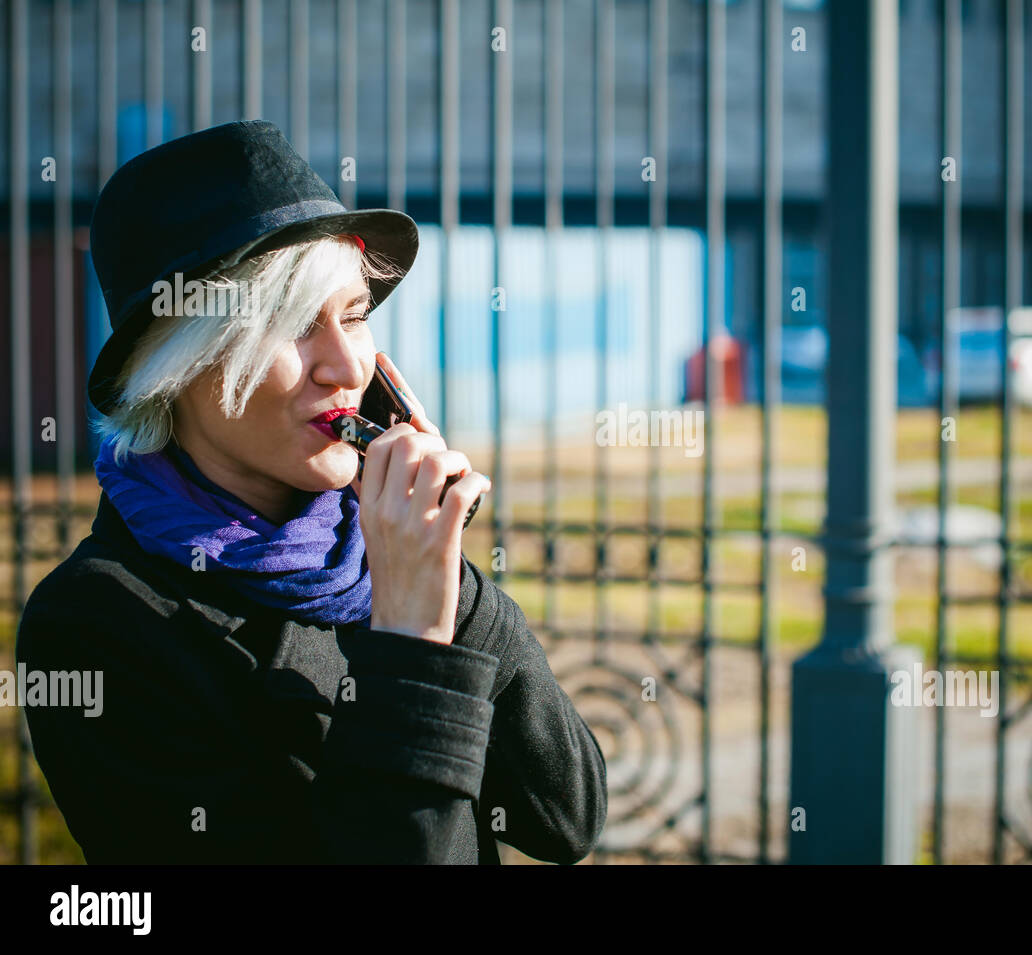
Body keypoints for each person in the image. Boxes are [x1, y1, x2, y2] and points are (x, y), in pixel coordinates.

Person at [16, 120, 607, 864]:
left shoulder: (385, 545)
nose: (343, 365)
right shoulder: (95, 624)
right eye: (294, 325)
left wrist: (450, 580)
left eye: (355, 317)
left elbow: (567, 813)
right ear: (179, 363)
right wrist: (412, 644)